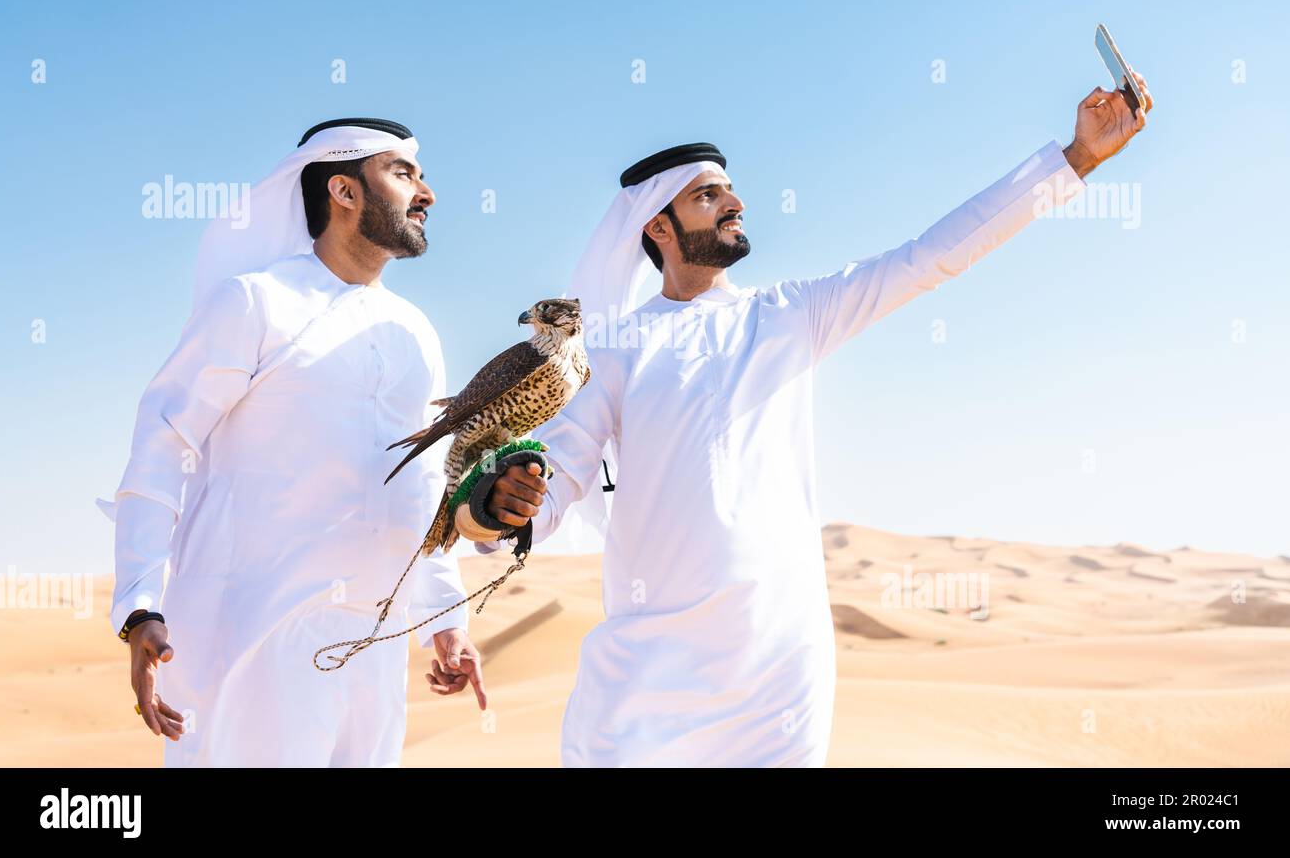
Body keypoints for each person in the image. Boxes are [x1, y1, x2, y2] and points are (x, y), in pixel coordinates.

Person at [483, 75, 1155, 766]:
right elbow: (553, 470)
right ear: (657, 225)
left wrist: (1073, 160)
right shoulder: (615, 348)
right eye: (708, 194)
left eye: (730, 189)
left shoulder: (791, 314)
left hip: (777, 677)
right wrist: (500, 505)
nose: (736, 202)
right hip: (645, 680)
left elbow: (931, 257)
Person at [102, 117, 486, 767]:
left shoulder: (415, 330)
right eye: (404, 173)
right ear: (344, 190)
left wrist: (446, 619)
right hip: (255, 639)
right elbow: (163, 442)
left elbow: (426, 488)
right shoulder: (256, 302)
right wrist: (140, 604)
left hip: (374, 647)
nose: (427, 192)